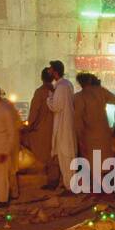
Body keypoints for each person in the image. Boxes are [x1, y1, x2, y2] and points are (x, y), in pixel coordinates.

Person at [73, 73, 115, 167]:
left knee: (93, 167)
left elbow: (78, 121)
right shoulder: (101, 92)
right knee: (104, 167)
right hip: (104, 137)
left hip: (89, 139)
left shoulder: (79, 97)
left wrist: (79, 139)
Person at [48, 60, 77, 191]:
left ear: (55, 71)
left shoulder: (61, 87)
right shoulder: (67, 84)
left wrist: (49, 98)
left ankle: (70, 187)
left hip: (63, 127)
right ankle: (69, 185)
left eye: (50, 69)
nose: (49, 71)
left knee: (65, 157)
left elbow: (56, 106)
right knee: (67, 157)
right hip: (67, 125)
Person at [24, 68, 56, 185]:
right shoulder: (57, 91)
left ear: (41, 78)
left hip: (42, 129)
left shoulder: (40, 92)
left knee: (45, 155)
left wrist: (29, 126)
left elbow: (34, 112)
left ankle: (49, 180)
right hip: (55, 128)